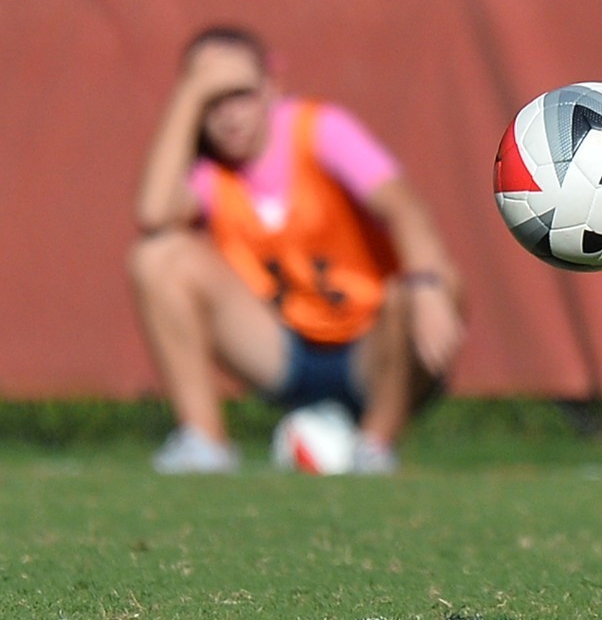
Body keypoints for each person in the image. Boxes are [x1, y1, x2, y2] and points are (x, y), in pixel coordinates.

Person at [128, 26, 465, 475]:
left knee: (437, 282)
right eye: (209, 100)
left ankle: (373, 448)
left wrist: (427, 287)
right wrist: (188, 96)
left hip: (371, 349)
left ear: (271, 88)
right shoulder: (211, 173)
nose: (227, 116)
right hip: (283, 351)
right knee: (156, 257)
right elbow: (152, 213)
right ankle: (204, 443)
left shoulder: (319, 130)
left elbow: (405, 207)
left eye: (239, 94)